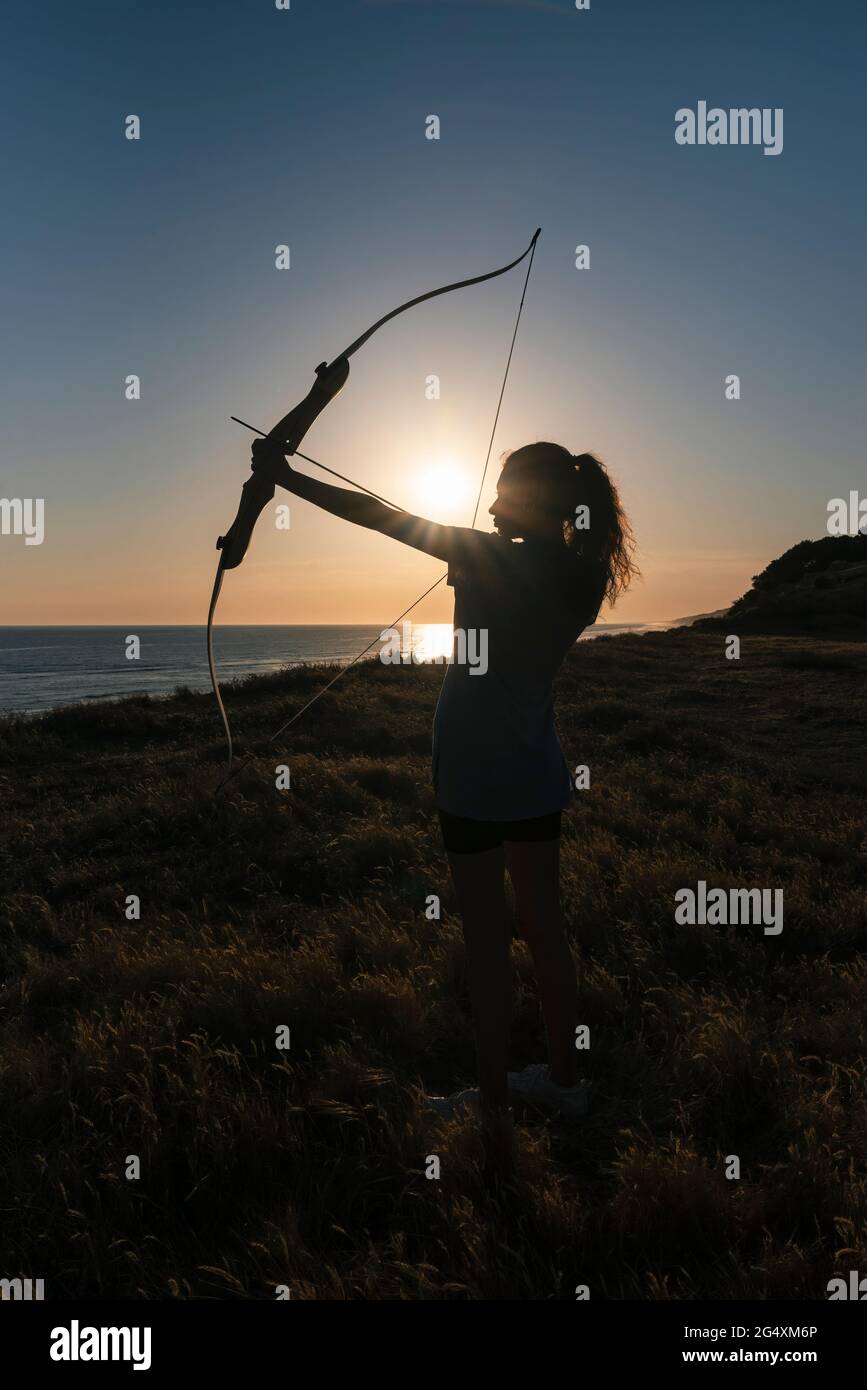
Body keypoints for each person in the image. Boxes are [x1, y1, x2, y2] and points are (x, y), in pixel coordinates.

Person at [250, 364, 636, 1133]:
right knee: (544, 927)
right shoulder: (581, 574)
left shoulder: (502, 557)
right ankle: (563, 1079)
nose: (490, 505)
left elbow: (379, 515)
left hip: (470, 773)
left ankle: (491, 1105)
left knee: (486, 941)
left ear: (534, 503)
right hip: (533, 770)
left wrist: (285, 478)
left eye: (503, 493)